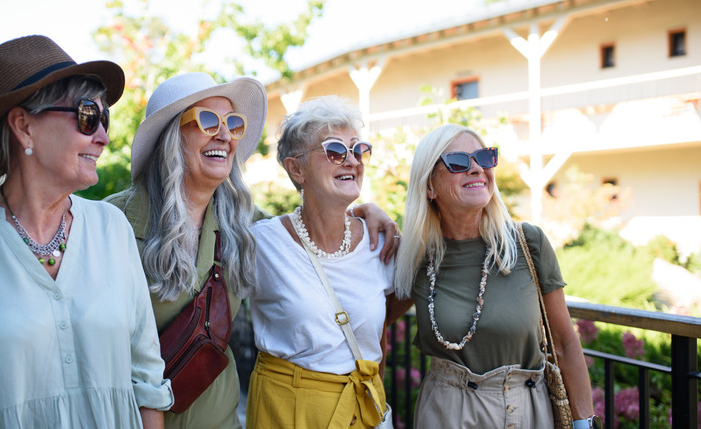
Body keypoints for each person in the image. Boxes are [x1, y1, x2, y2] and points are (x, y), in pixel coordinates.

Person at [105, 74, 399, 429]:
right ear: (171, 134)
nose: (226, 136)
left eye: (233, 124)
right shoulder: (112, 223)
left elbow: (311, 228)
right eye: (208, 121)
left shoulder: (245, 225)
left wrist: (361, 211)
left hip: (219, 420)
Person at [0, 35, 172, 429]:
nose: (103, 137)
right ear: (24, 127)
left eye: (104, 119)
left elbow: (146, 380)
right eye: (88, 115)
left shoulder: (112, 230)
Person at [394, 124, 598, 428]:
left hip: (529, 412)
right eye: (459, 161)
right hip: (446, 414)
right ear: (429, 186)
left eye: (484, 157)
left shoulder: (529, 243)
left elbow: (565, 341)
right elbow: (370, 322)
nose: (476, 168)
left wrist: (584, 424)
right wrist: (365, 213)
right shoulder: (416, 256)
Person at [245, 96, 410, 429]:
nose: (351, 160)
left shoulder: (380, 241)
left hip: (364, 413)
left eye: (357, 149)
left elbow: (380, 326)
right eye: (335, 150)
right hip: (288, 413)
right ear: (297, 168)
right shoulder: (262, 242)